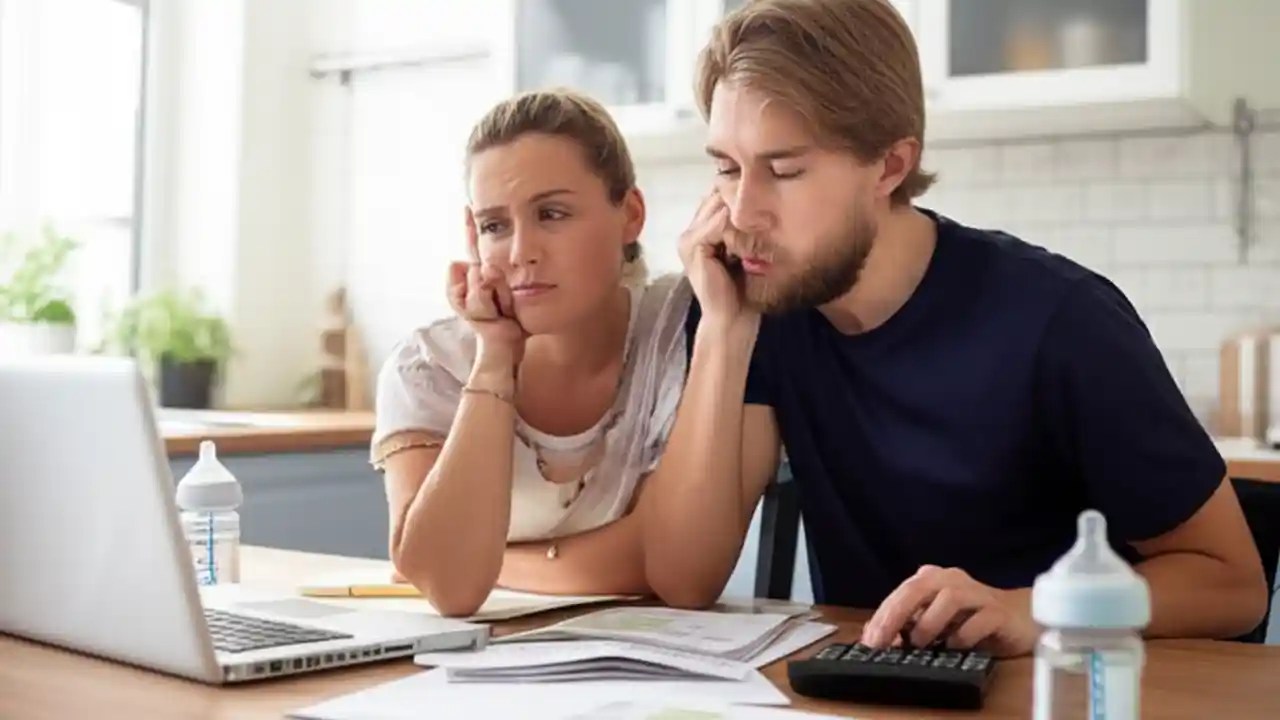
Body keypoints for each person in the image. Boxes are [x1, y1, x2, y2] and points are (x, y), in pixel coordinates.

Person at [648, 0, 1268, 656]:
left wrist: (1030, 614)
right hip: (872, 694)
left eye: (785, 170)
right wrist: (724, 328)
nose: (742, 211)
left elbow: (1232, 584)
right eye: (725, 166)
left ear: (889, 166)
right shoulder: (761, 309)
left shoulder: (1062, 321)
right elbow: (684, 580)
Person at [371, 90, 699, 617]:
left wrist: (498, 561)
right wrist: (495, 360)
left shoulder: (679, 329)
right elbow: (450, 586)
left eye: (552, 213)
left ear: (631, 215)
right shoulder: (427, 367)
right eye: (494, 226)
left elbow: (664, 560)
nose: (521, 252)